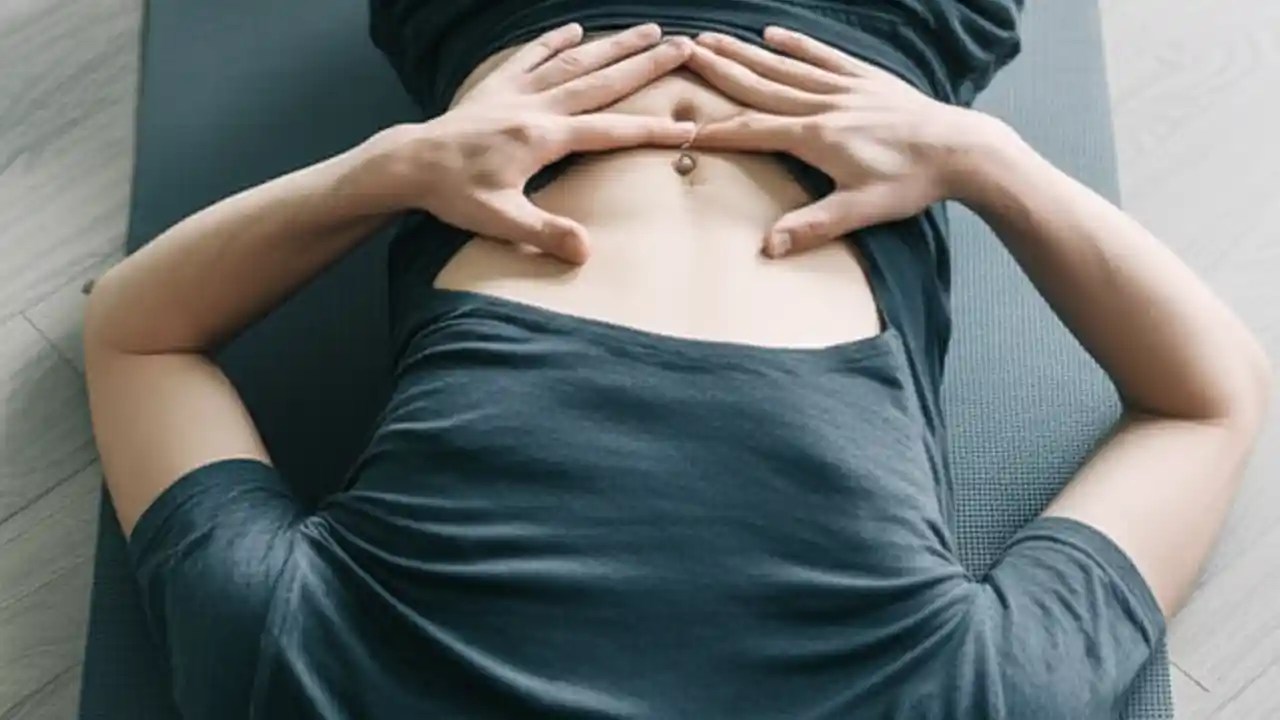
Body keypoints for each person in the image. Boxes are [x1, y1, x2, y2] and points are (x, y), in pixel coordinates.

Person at [83, 2, 1271, 718]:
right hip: (865, 37)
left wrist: (398, 165)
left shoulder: (308, 683)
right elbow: (1204, 401)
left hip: (522, 31)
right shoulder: (968, 702)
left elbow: (137, 333)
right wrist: (976, 157)